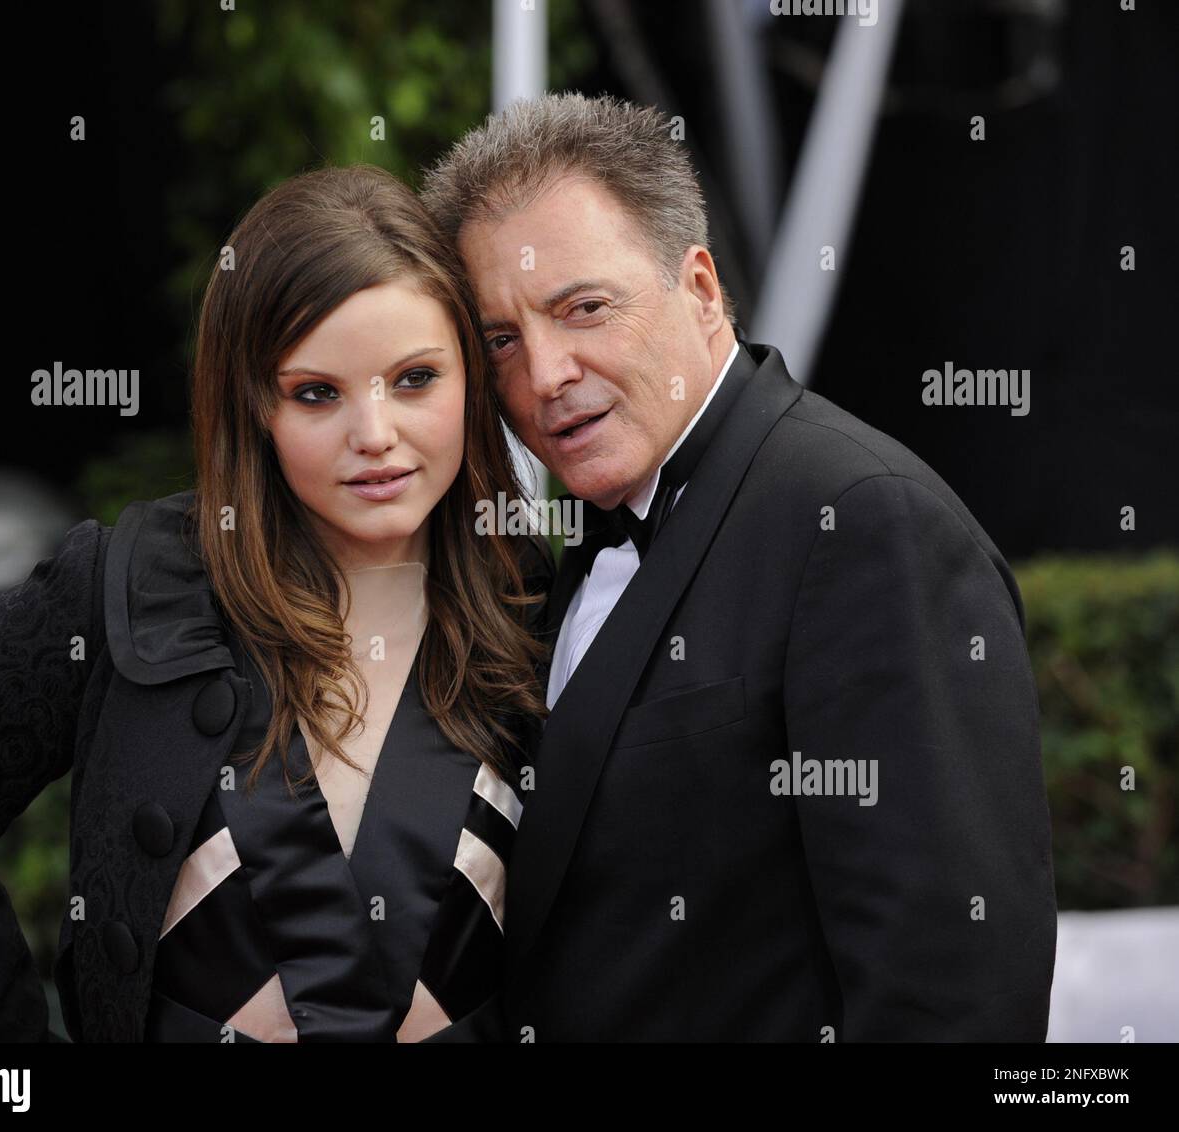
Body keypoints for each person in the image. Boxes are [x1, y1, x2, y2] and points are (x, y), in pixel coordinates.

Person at [420, 92, 1058, 1041]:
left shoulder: (863, 522)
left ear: (703, 290)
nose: (543, 373)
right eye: (502, 340)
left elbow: (951, 995)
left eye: (583, 308)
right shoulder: (562, 553)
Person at [0, 165, 552, 1042]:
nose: (376, 435)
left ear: (471, 374)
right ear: (253, 402)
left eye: (416, 378)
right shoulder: (123, 588)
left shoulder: (541, 604)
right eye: (317, 393)